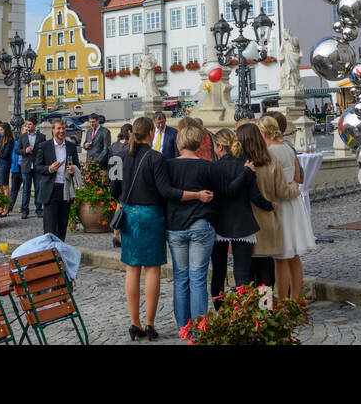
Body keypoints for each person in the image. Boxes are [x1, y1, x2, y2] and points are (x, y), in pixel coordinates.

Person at [109, 115, 212, 341]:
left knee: (132, 269)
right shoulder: (157, 158)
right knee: (152, 269)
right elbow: (166, 191)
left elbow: (113, 189)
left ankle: (134, 322)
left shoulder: (117, 157)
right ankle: (150, 323)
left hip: (129, 216)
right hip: (152, 215)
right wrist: (196, 195)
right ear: (150, 134)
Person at [164, 122, 258, 331]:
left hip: (176, 225)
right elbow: (225, 191)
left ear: (179, 142)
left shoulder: (169, 165)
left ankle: (183, 326)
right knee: (198, 277)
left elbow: (165, 193)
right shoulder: (208, 166)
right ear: (198, 143)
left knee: (181, 277)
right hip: (201, 224)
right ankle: (201, 326)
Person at [209, 127, 273, 307]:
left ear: (220, 147)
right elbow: (255, 196)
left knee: (219, 272)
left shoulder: (214, 168)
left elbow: (218, 195)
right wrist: (271, 206)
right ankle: (248, 311)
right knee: (243, 272)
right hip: (243, 222)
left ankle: (220, 310)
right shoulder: (246, 166)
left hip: (219, 223)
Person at [241, 121, 299, 297]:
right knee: (265, 275)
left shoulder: (241, 165)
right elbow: (283, 191)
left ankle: (248, 311)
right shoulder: (270, 163)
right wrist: (295, 187)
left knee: (246, 274)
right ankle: (264, 313)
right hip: (267, 223)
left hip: (245, 224)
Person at [259, 115, 313, 299]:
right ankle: (296, 298)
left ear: (264, 132)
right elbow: (298, 176)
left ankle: (283, 301)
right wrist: (294, 188)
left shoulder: (270, 152)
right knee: (294, 255)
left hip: (279, 203)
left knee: (280, 257)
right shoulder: (288, 148)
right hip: (293, 201)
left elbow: (272, 183)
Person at [34, 118, 81, 240]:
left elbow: (77, 166)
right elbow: (37, 167)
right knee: (50, 227)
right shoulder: (44, 146)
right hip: (51, 189)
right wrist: (49, 168)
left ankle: (60, 252)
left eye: (63, 128)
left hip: (65, 189)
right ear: (53, 130)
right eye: (58, 128)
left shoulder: (71, 146)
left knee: (62, 225)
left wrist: (72, 170)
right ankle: (50, 253)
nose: (61, 131)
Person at [16, 119, 46, 219]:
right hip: (26, 166)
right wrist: (25, 150)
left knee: (38, 189)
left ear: (35, 125)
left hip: (37, 166)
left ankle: (39, 210)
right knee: (26, 189)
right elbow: (17, 150)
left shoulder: (41, 137)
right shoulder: (22, 136)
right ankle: (25, 210)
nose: (28, 126)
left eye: (30, 124)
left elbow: (44, 150)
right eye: (27, 124)